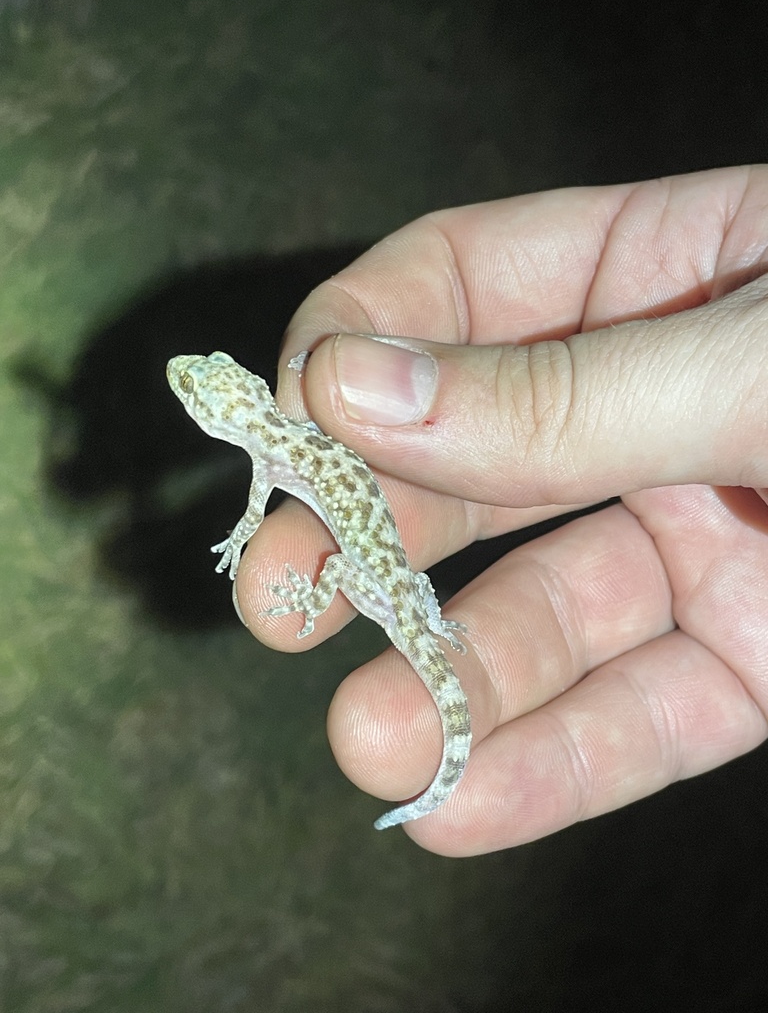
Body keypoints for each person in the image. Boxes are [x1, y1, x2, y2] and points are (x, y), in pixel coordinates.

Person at [237, 165, 768, 857]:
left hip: (392, 585)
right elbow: (260, 513)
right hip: (405, 591)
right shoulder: (282, 443)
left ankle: (364, 642)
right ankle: (422, 664)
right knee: (356, 573)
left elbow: (259, 515)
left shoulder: (273, 455)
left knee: (337, 566)